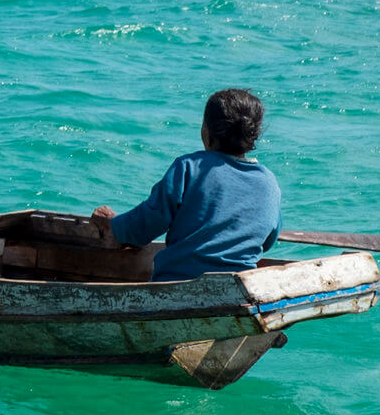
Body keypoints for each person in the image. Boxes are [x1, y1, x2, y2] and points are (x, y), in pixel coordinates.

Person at [90, 89, 281, 282]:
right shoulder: (269, 182)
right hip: (238, 286)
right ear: (252, 136)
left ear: (206, 132)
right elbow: (267, 240)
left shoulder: (189, 168)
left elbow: (144, 226)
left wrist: (114, 224)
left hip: (177, 283)